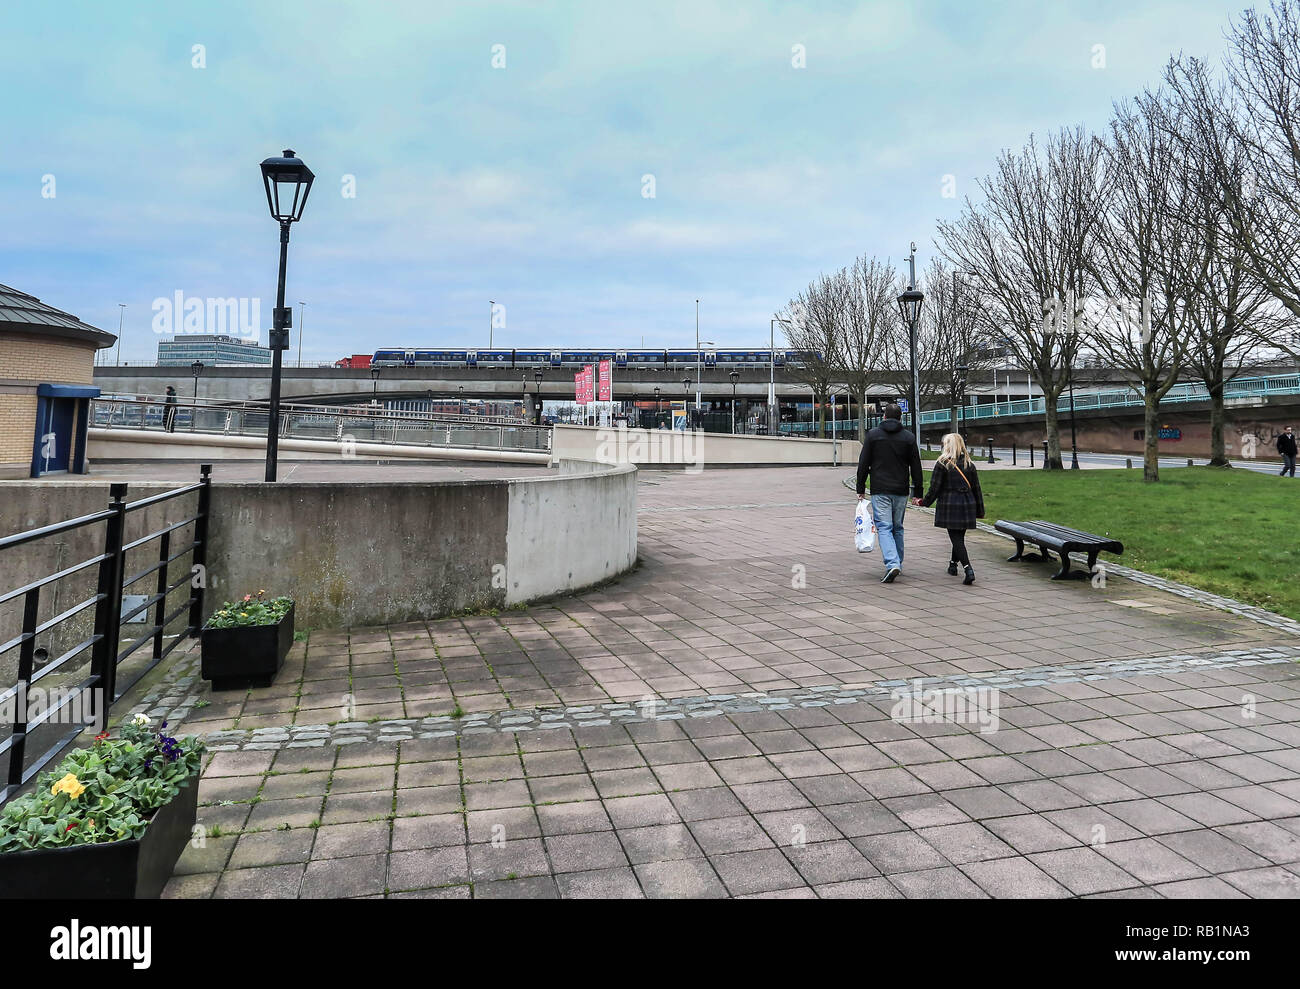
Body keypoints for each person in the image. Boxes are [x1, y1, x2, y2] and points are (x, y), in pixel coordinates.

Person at [854, 402, 924, 583]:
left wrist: (860, 488)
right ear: (901, 417)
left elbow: (863, 464)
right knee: (897, 527)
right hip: (901, 490)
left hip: (880, 489)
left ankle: (892, 563)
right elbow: (916, 466)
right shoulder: (908, 438)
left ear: (884, 417)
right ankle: (897, 561)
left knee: (884, 527)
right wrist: (918, 491)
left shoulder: (873, 436)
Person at [917, 432, 985, 585]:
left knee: (956, 538)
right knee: (959, 536)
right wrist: (980, 511)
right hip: (967, 504)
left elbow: (934, 488)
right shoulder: (969, 464)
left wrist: (923, 502)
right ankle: (953, 565)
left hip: (950, 504)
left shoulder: (942, 463)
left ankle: (968, 569)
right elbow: (977, 489)